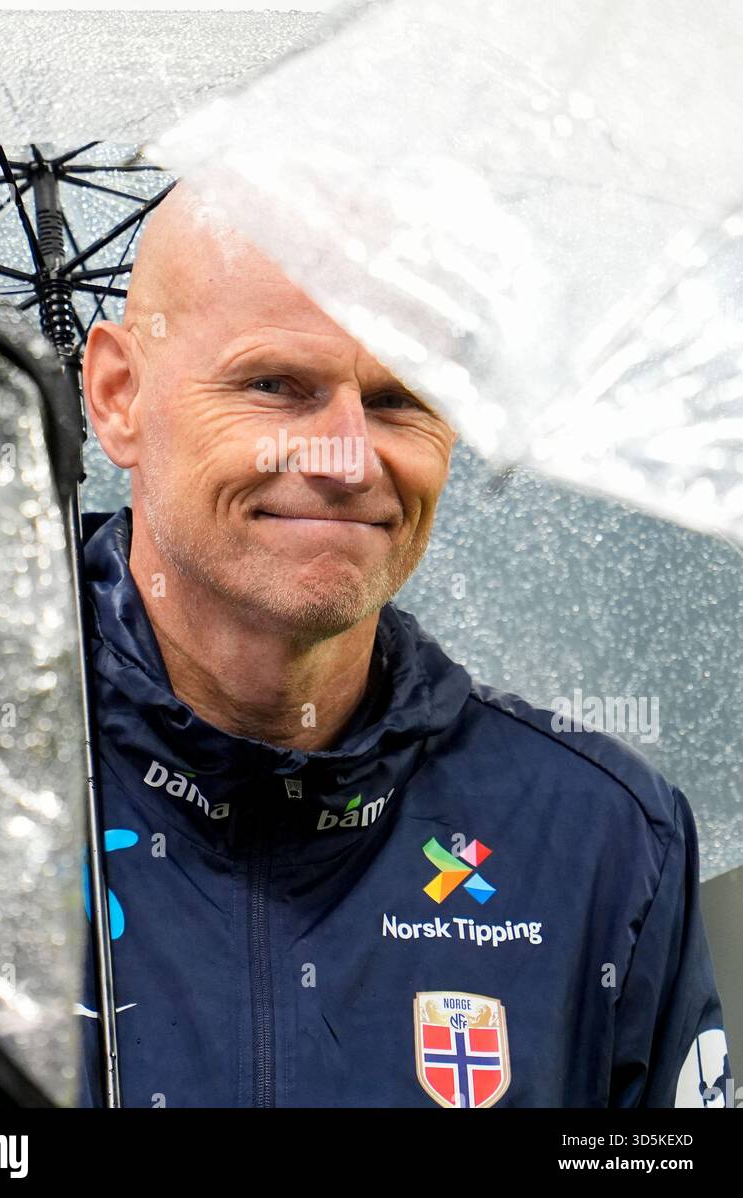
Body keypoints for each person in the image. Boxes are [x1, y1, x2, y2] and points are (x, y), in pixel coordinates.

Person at [77, 182, 730, 1109]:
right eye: (274, 386)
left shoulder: (605, 838)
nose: (348, 460)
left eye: (399, 400)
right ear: (119, 395)